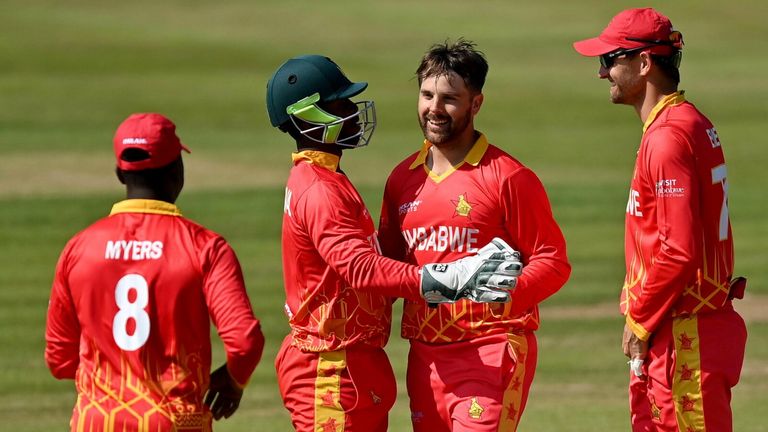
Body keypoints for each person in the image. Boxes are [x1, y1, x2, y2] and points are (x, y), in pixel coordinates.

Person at [265, 54, 522, 432]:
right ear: (308, 116)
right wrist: (448, 277)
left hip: (352, 362)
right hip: (330, 368)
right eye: (341, 104)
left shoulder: (328, 177)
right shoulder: (319, 189)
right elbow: (360, 268)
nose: (353, 111)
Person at [377, 40, 571, 432]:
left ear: (476, 104)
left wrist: (506, 293)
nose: (434, 108)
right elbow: (387, 269)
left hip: (492, 349)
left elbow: (553, 261)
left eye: (449, 98)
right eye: (427, 95)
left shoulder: (509, 177)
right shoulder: (401, 179)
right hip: (424, 356)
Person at [573, 8, 748, 431]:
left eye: (609, 60)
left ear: (645, 63)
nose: (602, 73)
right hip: (691, 327)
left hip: (686, 334)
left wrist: (639, 320)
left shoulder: (668, 137)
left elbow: (678, 250)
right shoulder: (690, 122)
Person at [45, 113, 265, 431]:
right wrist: (233, 380)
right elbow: (245, 343)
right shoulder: (205, 247)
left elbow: (60, 359)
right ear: (178, 168)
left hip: (97, 421)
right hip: (175, 421)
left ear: (121, 174)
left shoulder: (79, 248)